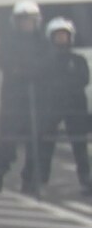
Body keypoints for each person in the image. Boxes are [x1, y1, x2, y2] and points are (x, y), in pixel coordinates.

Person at [0, 0, 50, 193]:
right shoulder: (8, 42)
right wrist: (27, 71)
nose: (25, 24)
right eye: (22, 20)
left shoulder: (43, 42)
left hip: (37, 98)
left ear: (36, 21)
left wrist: (27, 71)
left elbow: (46, 66)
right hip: (13, 98)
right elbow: (6, 63)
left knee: (35, 141)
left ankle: (29, 179)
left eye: (29, 20)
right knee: (7, 139)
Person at [39, 15, 91, 193]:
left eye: (64, 35)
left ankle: (86, 180)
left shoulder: (78, 60)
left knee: (79, 145)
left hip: (76, 107)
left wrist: (64, 84)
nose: (62, 39)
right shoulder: (46, 61)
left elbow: (83, 79)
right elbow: (45, 81)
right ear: (51, 38)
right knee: (46, 144)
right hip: (52, 106)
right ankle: (41, 179)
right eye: (58, 36)